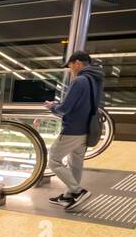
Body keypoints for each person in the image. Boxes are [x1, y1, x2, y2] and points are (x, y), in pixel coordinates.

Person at [44, 50, 104, 210]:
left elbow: (65, 108)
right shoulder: (95, 80)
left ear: (77, 63)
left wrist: (53, 107)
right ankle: (69, 195)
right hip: (87, 129)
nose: (71, 70)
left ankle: (78, 191)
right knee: (75, 163)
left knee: (54, 160)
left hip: (73, 129)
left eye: (70, 66)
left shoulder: (80, 81)